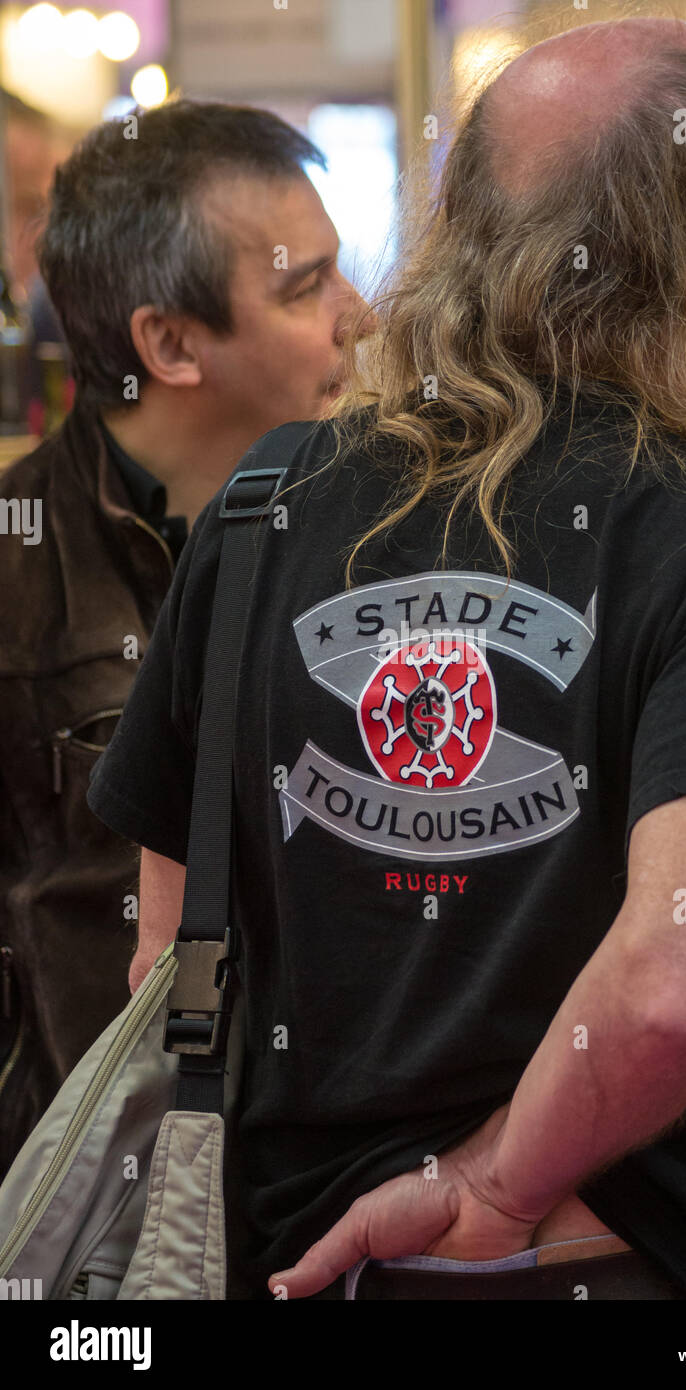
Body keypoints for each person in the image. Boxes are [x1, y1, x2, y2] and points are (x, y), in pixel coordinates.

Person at [88, 17, 686, 1301]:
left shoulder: (258, 502)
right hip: (616, 1258)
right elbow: (671, 989)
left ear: (458, 223)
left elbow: (165, 948)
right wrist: (487, 1188)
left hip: (303, 1256)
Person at [0, 98, 371, 1179]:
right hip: (96, 1193)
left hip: (332, 1193)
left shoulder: (390, 542)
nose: (358, 317)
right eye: (305, 287)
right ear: (167, 341)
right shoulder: (19, 576)